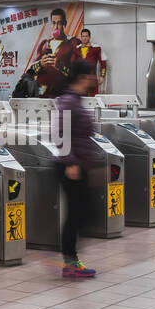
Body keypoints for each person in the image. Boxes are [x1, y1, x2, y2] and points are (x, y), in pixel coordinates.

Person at [52, 60, 98, 279]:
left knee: (83, 213)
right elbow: (60, 133)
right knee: (76, 214)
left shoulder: (76, 100)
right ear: (82, 77)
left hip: (80, 165)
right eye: (91, 75)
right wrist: (70, 162)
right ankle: (70, 261)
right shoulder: (69, 101)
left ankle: (71, 257)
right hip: (70, 167)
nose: (94, 79)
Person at [74, 28, 106, 95]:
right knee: (81, 99)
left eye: (86, 36)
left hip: (92, 78)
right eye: (83, 36)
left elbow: (103, 62)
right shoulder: (76, 48)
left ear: (89, 37)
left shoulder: (96, 48)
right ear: (81, 37)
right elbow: (73, 64)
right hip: (80, 79)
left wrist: (102, 76)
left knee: (94, 99)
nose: (84, 38)